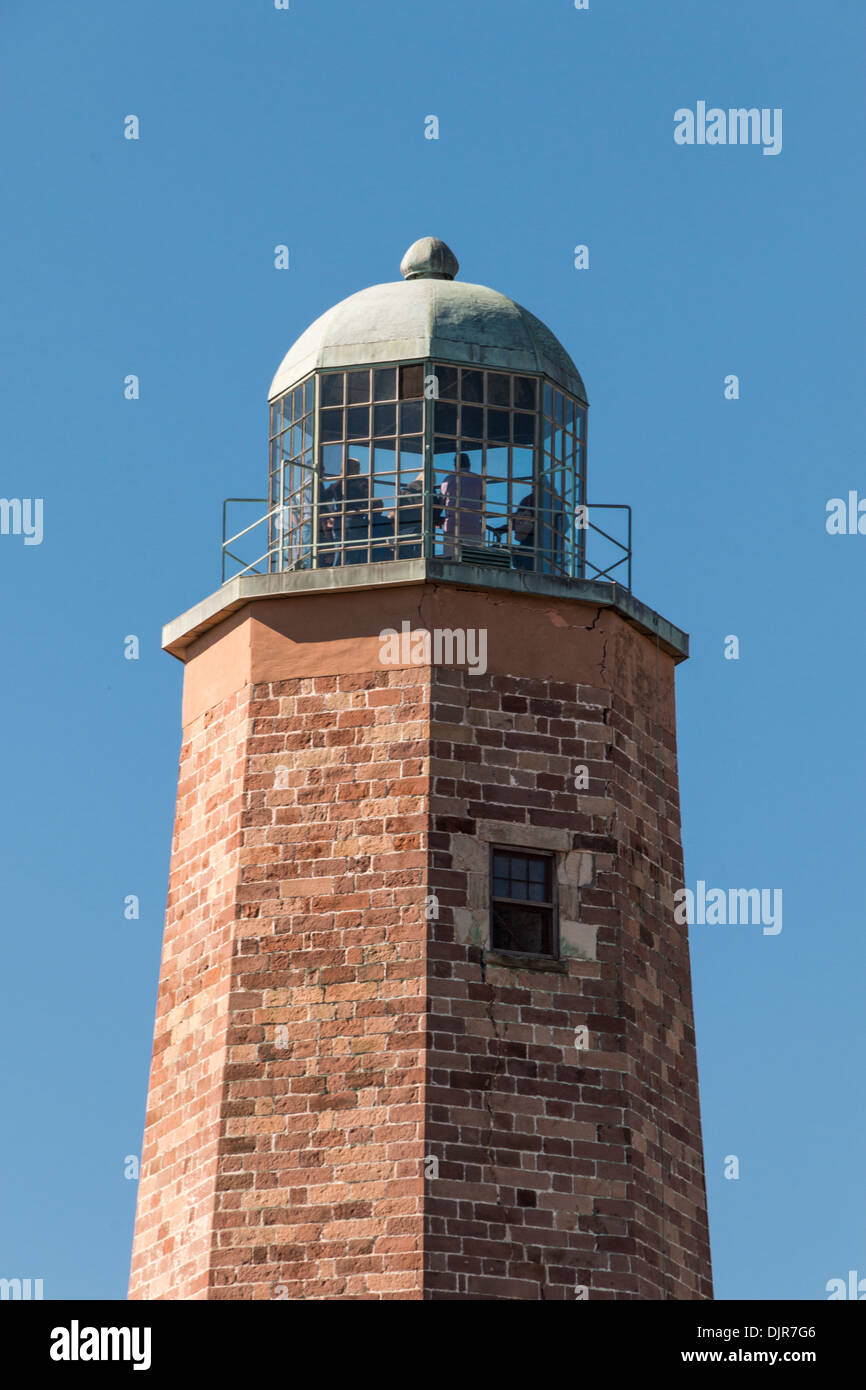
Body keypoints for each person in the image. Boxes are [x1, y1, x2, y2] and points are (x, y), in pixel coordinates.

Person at [319, 458, 370, 566]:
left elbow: (322, 497)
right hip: (353, 519)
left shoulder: (338, 484)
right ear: (356, 468)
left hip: (339, 520)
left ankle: (337, 568)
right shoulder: (362, 482)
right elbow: (367, 500)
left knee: (340, 547)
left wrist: (331, 513)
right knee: (352, 549)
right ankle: (348, 568)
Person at [510, 476, 564, 573]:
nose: (535, 488)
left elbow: (564, 524)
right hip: (533, 543)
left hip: (545, 544)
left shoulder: (553, 502)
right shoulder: (529, 500)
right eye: (534, 486)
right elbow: (516, 520)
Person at [439, 453, 484, 557]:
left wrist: (436, 518)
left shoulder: (448, 480)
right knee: (473, 561)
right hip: (474, 527)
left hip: (452, 526)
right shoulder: (478, 480)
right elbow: (482, 504)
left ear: (455, 465)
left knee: (451, 560)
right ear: (469, 464)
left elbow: (441, 504)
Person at [396, 470, 442, 558]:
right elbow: (436, 510)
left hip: (405, 529)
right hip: (424, 528)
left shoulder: (404, 491)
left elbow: (397, 511)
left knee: (405, 555)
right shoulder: (430, 491)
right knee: (425, 554)